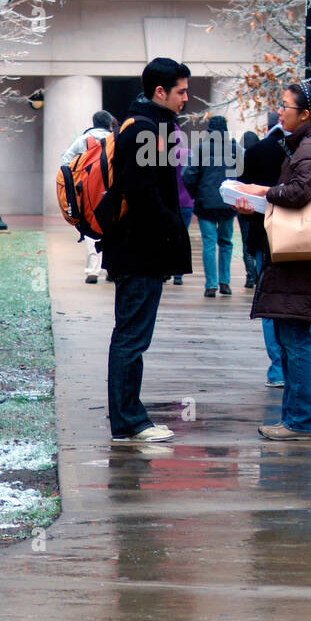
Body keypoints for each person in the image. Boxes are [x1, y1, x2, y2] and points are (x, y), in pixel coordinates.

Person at [236, 83, 311, 440]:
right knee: (291, 337)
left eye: (285, 106)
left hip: (300, 256)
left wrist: (261, 192)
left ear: (306, 115)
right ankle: (294, 420)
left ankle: (300, 422)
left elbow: (300, 192)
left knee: (295, 341)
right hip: (298, 254)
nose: (279, 112)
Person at [101, 58, 192, 442]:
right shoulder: (142, 130)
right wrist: (173, 225)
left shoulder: (151, 127)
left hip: (139, 250)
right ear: (160, 92)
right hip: (138, 251)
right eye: (181, 92)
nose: (186, 99)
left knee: (132, 336)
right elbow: (142, 194)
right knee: (131, 338)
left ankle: (130, 418)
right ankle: (129, 421)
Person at [240, 110, 287, 386]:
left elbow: (243, 193)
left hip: (265, 235)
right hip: (304, 238)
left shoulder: (257, 151)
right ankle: (295, 366)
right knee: (298, 303)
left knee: (269, 301)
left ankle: (278, 368)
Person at [182, 115, 239, 297]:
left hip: (205, 203)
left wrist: (196, 195)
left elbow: (188, 175)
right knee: (226, 242)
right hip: (228, 203)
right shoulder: (234, 150)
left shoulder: (199, 150)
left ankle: (211, 284)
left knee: (209, 243)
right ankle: (225, 281)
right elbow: (242, 175)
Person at [59, 109, 116, 283]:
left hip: (85, 191)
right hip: (111, 190)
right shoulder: (115, 140)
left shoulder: (83, 140)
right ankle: (112, 269)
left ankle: (92, 271)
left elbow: (65, 162)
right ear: (109, 124)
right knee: (113, 227)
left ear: (94, 123)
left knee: (91, 226)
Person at [172, 123, 195, 286]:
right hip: (186, 202)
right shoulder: (189, 154)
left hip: (169, 202)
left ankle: (166, 269)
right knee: (181, 236)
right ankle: (178, 273)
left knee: (167, 236)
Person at [237, 132, 260, 288]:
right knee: (259, 240)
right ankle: (259, 274)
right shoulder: (262, 156)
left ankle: (250, 275)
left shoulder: (241, 159)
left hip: (243, 204)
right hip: (259, 205)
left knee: (246, 240)